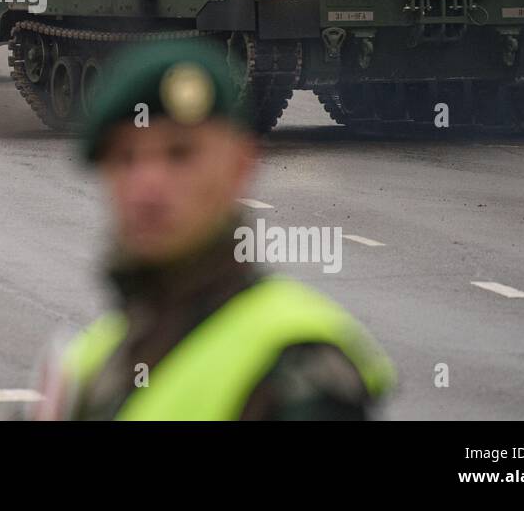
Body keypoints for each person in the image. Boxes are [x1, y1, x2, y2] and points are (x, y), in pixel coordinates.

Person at [30, 40, 394, 420]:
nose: (147, 186)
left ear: (240, 167)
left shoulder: (296, 369)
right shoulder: (95, 357)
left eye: (180, 154)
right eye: (125, 158)